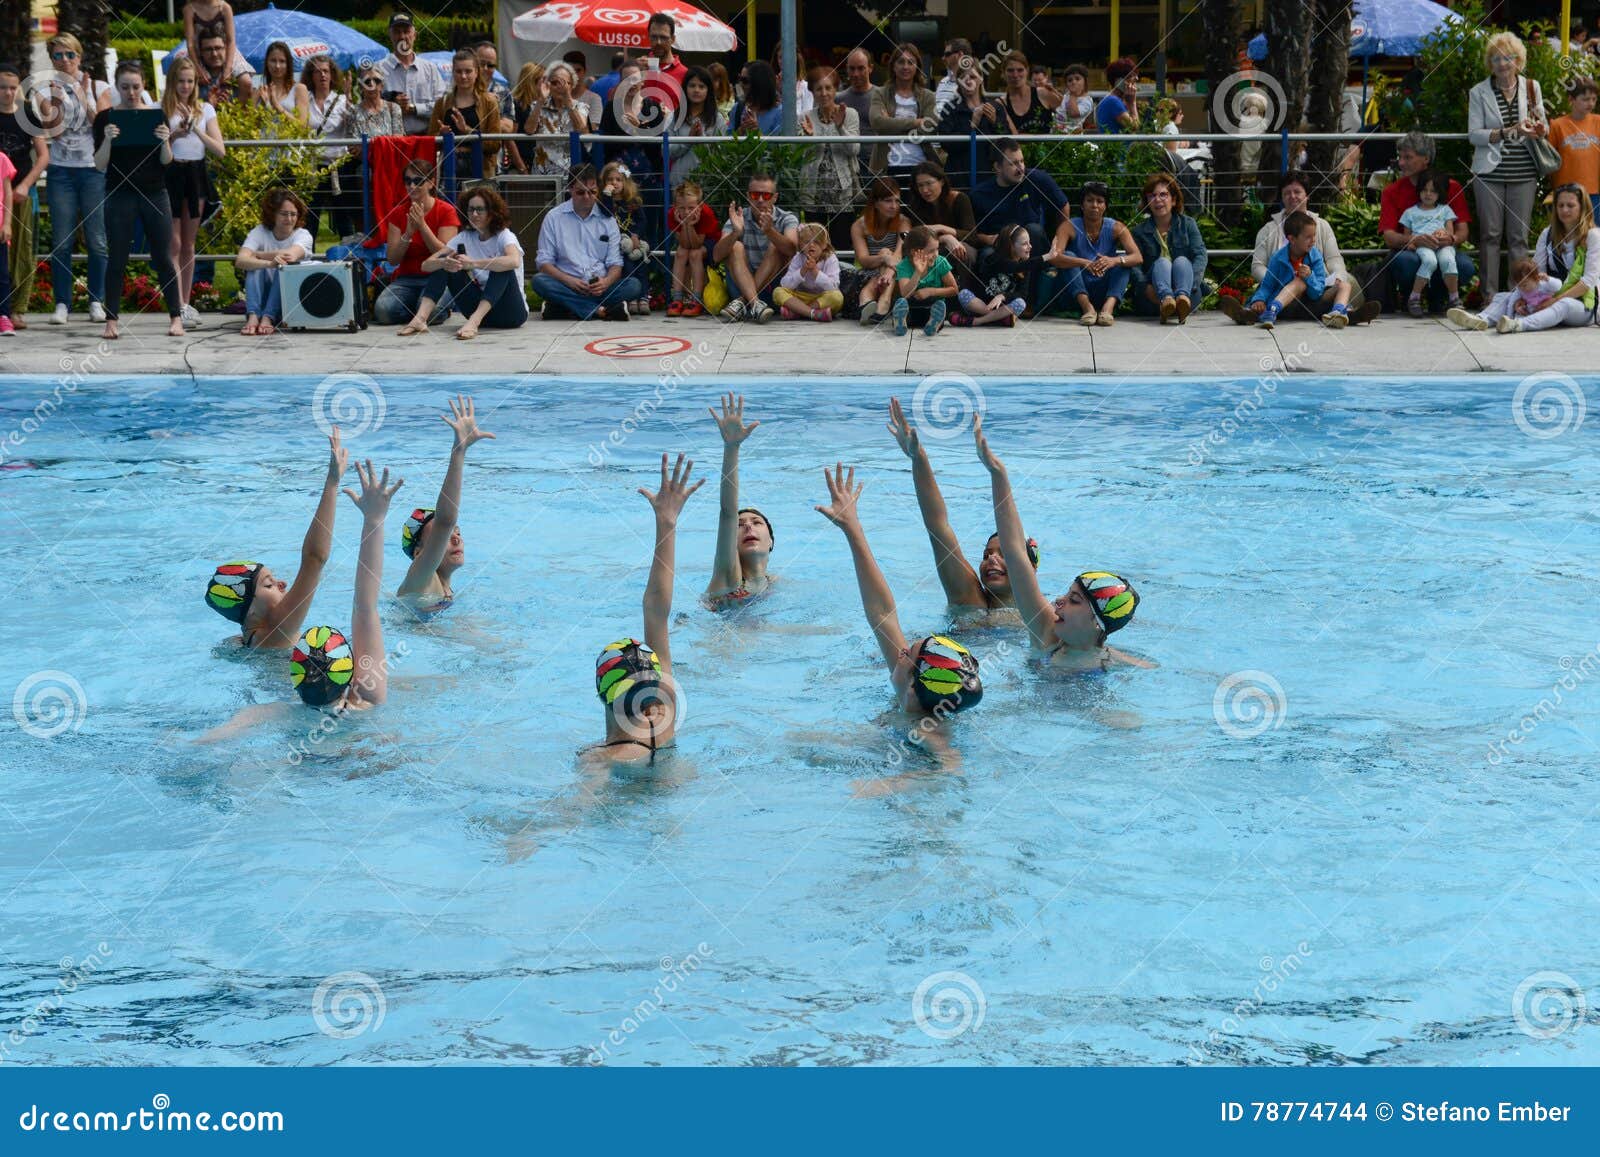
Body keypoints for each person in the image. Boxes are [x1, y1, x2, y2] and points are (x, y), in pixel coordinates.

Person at [976, 415, 1145, 670]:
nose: (1058, 601)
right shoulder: (1046, 635)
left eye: (1074, 600)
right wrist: (998, 474)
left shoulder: (1118, 666)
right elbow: (1016, 553)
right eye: (1068, 594)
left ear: (1096, 623)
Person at [815, 462, 984, 716]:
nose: (899, 651)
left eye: (906, 653)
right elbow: (882, 614)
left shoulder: (932, 737)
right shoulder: (913, 686)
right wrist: (852, 529)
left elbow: (951, 758)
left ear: (913, 684)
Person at [588, 453, 702, 767]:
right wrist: (667, 522)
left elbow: (577, 810)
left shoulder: (600, 761)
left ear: (603, 696)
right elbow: (656, 609)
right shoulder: (664, 717)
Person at [887, 395, 1037, 611]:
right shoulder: (970, 599)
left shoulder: (1047, 616)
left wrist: (998, 474)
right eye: (987, 555)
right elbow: (938, 527)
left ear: (1031, 568)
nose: (992, 559)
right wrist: (918, 458)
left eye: (1005, 554)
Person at [204, 429, 348, 650]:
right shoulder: (275, 634)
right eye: (269, 584)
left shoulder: (244, 641)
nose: (282, 584)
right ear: (251, 611)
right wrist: (332, 484)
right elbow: (315, 559)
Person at [290, 459, 402, 714]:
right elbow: (365, 607)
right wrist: (374, 520)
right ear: (351, 675)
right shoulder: (368, 696)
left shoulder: (272, 712)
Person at [94, 62, 182, 340]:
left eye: (136, 86)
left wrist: (165, 142)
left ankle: (176, 317)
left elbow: (167, 161)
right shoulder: (104, 118)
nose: (131, 92)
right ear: (116, 87)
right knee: (117, 257)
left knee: (163, 257)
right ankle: (111, 321)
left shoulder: (157, 116)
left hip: (155, 193)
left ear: (144, 86)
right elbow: (98, 165)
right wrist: (107, 140)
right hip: (119, 193)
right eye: (125, 87)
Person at [1449, 184, 1599, 333]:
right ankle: (1482, 319)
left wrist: (1553, 301)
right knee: (1505, 296)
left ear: (1582, 207)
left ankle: (1518, 324)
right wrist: (1524, 297)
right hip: (1547, 296)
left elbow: (1587, 283)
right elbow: (1536, 274)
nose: (1564, 210)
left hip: (1582, 304)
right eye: (1560, 205)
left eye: (1570, 205)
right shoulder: (1547, 234)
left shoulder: (1593, 236)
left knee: (1564, 304)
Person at [395, 395, 494, 610]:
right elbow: (445, 520)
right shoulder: (421, 580)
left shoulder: (443, 588)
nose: (456, 539)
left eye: (457, 533)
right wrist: (459, 451)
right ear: (419, 554)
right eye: (445, 538)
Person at [1468, 31, 1548, 296]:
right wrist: (1506, 132)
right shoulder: (1478, 92)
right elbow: (1474, 135)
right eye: (1496, 58)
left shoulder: (1531, 87)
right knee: (1489, 236)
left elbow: (1544, 127)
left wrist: (1538, 129)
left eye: (1508, 58)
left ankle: (1518, 296)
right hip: (1488, 172)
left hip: (1524, 172)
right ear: (1489, 63)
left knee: (1519, 239)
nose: (1502, 64)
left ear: (1518, 60)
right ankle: (1489, 297)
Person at [1247, 168, 1377, 327]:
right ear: (1281, 197)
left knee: (1346, 282)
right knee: (1262, 292)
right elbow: (1258, 266)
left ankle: (1343, 313)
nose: (1292, 196)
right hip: (1282, 288)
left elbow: (1334, 259)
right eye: (1287, 193)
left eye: (1297, 192)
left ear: (1306, 196)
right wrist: (1279, 281)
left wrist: (1336, 277)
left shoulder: (1322, 226)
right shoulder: (1267, 230)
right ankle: (1250, 313)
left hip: (1316, 288)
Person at [42, 33, 111, 326]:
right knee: (62, 241)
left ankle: (96, 300)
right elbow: (54, 132)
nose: (65, 61)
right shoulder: (45, 91)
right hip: (61, 171)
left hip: (93, 169)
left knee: (96, 240)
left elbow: (103, 126)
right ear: (52, 60)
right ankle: (62, 303)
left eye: (70, 55)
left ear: (80, 57)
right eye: (58, 56)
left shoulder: (99, 86)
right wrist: (57, 99)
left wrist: (84, 98)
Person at [400, 185, 528, 339]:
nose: (474, 214)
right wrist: (444, 263)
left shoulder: (504, 235)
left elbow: (514, 261)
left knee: (502, 266)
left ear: (492, 212)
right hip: (478, 309)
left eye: (480, 209)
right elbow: (426, 265)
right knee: (444, 263)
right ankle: (420, 319)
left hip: (511, 313)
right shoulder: (465, 237)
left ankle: (474, 323)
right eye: (470, 209)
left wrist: (473, 263)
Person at [1378, 130, 1477, 312]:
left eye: (1408, 157)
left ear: (1426, 159)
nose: (1401, 163)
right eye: (1400, 157)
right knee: (1407, 262)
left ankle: (1440, 298)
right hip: (1410, 251)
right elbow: (1389, 236)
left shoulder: (1452, 187)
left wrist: (1452, 238)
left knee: (1465, 266)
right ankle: (1410, 296)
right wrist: (1414, 239)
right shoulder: (1391, 191)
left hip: (1443, 248)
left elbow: (1463, 230)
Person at [532, 163, 645, 321]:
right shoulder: (554, 217)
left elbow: (615, 264)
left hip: (599, 286)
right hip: (567, 283)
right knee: (539, 281)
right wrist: (570, 281)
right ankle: (600, 310)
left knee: (634, 285)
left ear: (598, 191)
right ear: (570, 190)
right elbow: (544, 263)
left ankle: (567, 308)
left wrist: (605, 282)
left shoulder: (608, 219)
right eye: (580, 192)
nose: (587, 197)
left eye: (592, 192)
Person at [970, 138, 1070, 314]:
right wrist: (989, 239)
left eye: (1022, 161)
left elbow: (1063, 206)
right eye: (1013, 163)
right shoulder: (979, 194)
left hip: (1030, 246)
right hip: (999, 249)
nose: (1021, 167)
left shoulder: (1037, 179)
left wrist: (1060, 239)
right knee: (986, 255)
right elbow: (971, 233)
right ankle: (993, 306)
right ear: (997, 167)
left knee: (1034, 231)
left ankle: (1028, 303)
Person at [163, 59, 225, 328]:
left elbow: (219, 149)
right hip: (170, 174)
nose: (186, 86)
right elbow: (155, 149)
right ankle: (175, 305)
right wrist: (174, 135)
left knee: (189, 243)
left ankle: (185, 304)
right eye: (181, 81)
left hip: (196, 176)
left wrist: (195, 128)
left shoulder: (205, 109)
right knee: (173, 244)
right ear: (172, 82)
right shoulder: (161, 108)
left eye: (190, 81)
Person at [703, 394, 774, 608]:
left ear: (771, 541)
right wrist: (732, 448)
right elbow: (727, 512)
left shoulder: (774, 585)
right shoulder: (729, 577)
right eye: (740, 525)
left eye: (756, 522)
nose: (748, 527)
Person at [375, 159, 460, 325]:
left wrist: (422, 226)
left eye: (418, 181)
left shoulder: (446, 211)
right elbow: (393, 259)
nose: (411, 186)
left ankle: (426, 311)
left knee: (432, 312)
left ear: (431, 183)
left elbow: (446, 253)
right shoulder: (398, 213)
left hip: (438, 278)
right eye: (407, 181)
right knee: (383, 311)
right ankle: (418, 313)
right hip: (406, 279)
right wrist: (408, 233)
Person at [1044, 179, 1138, 325]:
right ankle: (1088, 309)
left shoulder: (1116, 227)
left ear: (1105, 206)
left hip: (1103, 289)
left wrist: (1113, 261)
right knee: (1069, 256)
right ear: (1082, 205)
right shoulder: (1068, 226)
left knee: (1123, 260)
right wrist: (1084, 262)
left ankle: (1107, 309)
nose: (1095, 205)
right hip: (1075, 291)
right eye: (1090, 200)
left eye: (1100, 201)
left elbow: (1137, 257)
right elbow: (1053, 257)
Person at [0, 63, 50, 329]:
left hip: (22, 191)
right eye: (2, 88)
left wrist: (25, 185)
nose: (8, 93)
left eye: (12, 88)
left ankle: (18, 308)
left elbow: (43, 156)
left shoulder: (28, 115)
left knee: (23, 251)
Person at [712, 171, 799, 323]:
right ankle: (755, 304)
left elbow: (792, 249)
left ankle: (746, 301)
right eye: (754, 195)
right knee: (735, 246)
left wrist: (770, 231)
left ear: (775, 197)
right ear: (748, 196)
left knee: (776, 247)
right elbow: (716, 256)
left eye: (766, 196)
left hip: (774, 292)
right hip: (739, 285)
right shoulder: (738, 217)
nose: (759, 200)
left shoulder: (787, 218)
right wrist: (735, 233)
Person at [1129, 172, 1206, 323]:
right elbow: (1133, 265)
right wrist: (1145, 287)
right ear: (1147, 201)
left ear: (1174, 200)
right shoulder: (1138, 232)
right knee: (1163, 262)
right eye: (1152, 196)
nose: (1157, 200)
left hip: (1188, 292)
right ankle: (1166, 299)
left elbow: (1200, 256)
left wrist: (1191, 284)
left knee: (1182, 261)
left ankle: (1181, 299)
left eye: (1163, 195)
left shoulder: (1188, 224)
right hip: (1152, 298)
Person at [235, 187, 312, 335]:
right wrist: (268, 263)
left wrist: (257, 254)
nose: (289, 219)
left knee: (283, 266)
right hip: (262, 298)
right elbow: (240, 260)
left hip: (289, 301)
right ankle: (253, 316)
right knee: (255, 267)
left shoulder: (303, 235)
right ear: (272, 214)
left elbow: (288, 256)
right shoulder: (259, 231)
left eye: (293, 214)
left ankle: (268, 318)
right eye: (284, 214)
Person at [1232, 210, 1325, 329]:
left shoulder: (1315, 257)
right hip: (1282, 305)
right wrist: (1259, 300)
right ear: (1291, 239)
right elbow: (1267, 285)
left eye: (1314, 236)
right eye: (1308, 237)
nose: (1313, 240)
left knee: (1300, 281)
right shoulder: (1278, 258)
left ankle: (1257, 313)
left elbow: (1317, 293)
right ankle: (1254, 311)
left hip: (1305, 303)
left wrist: (1309, 277)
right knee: (1260, 302)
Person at [869, 44, 940, 191]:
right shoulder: (880, 93)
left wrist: (891, 124)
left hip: (921, 166)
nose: (905, 66)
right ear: (893, 66)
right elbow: (877, 122)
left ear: (917, 67)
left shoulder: (928, 96)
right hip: (887, 166)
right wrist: (915, 122)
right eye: (901, 62)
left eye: (911, 62)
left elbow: (929, 128)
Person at [801, 68, 861, 234]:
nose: (824, 93)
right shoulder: (805, 117)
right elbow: (799, 155)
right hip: (813, 192)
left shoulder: (850, 114)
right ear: (812, 92)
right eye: (819, 89)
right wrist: (808, 138)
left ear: (836, 89)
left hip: (843, 192)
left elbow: (854, 150)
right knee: (814, 244)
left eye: (828, 88)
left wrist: (840, 128)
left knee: (841, 243)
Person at [428, 48, 501, 180]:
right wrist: (441, 135)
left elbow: (495, 144)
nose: (463, 76)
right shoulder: (442, 103)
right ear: (453, 73)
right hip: (449, 172)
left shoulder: (489, 102)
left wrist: (467, 131)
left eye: (468, 71)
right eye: (458, 71)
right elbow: (430, 140)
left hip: (480, 170)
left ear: (477, 72)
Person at [1398, 169, 1462, 314]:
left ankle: (1454, 298)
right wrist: (1413, 244)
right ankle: (1414, 298)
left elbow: (1450, 234)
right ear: (1419, 191)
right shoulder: (1410, 212)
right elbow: (1407, 236)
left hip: (1442, 245)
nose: (1428, 194)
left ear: (1439, 193)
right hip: (1424, 245)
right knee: (1430, 261)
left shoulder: (1445, 210)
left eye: (1433, 191)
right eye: (1424, 190)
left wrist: (1444, 234)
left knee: (1448, 260)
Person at [850, 176, 910, 325]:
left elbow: (900, 253)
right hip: (870, 271)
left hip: (897, 272)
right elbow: (863, 259)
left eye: (897, 201)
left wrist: (889, 270)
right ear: (875, 202)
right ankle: (881, 305)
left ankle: (868, 302)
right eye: (888, 200)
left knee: (886, 252)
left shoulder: (903, 222)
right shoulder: (859, 226)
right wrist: (884, 259)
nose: (894, 206)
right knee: (884, 254)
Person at [517, 62, 592, 178]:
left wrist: (568, 102)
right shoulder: (538, 105)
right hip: (542, 174)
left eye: (563, 83)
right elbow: (529, 130)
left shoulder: (580, 106)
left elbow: (581, 129)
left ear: (571, 85)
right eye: (554, 83)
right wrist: (541, 100)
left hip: (570, 174)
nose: (558, 87)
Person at [935, 63, 1004, 187]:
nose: (968, 81)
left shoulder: (995, 107)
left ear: (981, 79)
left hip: (989, 176)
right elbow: (946, 143)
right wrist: (972, 125)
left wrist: (995, 122)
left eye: (973, 77)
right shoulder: (950, 108)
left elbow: (1006, 140)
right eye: (963, 77)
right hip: (959, 176)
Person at [1450, 256, 1559, 332]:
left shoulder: (1543, 284)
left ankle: (1513, 324)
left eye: (1524, 284)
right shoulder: (1520, 289)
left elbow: (1558, 286)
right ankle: (1481, 319)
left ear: (1536, 279)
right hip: (1526, 310)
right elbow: (1512, 300)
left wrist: (1548, 279)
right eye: (1519, 285)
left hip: (1539, 311)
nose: (1522, 288)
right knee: (1502, 296)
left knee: (1518, 315)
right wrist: (1510, 313)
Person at [950, 222, 1028, 327]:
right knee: (963, 293)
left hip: (1002, 307)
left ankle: (976, 321)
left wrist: (1002, 296)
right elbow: (977, 285)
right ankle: (999, 319)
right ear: (1011, 245)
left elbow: (1022, 294)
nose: (1030, 246)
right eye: (1025, 244)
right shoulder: (992, 260)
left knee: (1020, 303)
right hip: (982, 306)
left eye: (1029, 243)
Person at [382, 12, 448, 135]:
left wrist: (413, 108)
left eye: (406, 31)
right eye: (397, 31)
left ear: (415, 35)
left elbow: (443, 106)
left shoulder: (430, 69)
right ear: (390, 35)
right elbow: (368, 107)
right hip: (391, 141)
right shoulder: (378, 70)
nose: (402, 36)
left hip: (424, 139)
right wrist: (391, 105)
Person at [599, 160, 650, 315]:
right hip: (617, 245)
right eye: (610, 180)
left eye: (618, 180)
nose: (614, 183)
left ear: (625, 182)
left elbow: (642, 221)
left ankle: (643, 297)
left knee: (641, 267)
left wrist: (636, 236)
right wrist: (607, 195)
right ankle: (632, 298)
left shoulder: (632, 201)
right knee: (627, 268)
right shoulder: (603, 202)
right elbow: (607, 214)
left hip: (634, 241)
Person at [907, 161, 978, 272]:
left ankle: (965, 289)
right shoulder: (916, 205)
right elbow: (918, 239)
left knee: (962, 250)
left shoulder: (959, 199)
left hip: (962, 245)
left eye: (929, 183)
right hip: (931, 247)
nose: (925, 190)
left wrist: (942, 228)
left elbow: (972, 236)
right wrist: (945, 238)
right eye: (920, 185)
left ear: (942, 181)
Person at [1546, 76, 1600, 215]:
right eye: (1585, 99)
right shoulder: (1557, 125)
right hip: (1565, 192)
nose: (1591, 104)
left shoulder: (1598, 121)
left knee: (1594, 234)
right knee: (1567, 234)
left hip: (1594, 192)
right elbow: (1549, 161)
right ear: (1571, 100)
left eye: (1594, 99)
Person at [891, 225, 958, 336]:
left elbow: (954, 289)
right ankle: (901, 322)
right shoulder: (904, 265)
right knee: (902, 303)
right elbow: (905, 293)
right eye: (931, 251)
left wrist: (931, 291)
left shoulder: (940, 262)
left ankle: (934, 324)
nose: (936, 254)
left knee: (939, 306)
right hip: (911, 307)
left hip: (932, 307)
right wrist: (917, 272)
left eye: (937, 249)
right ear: (914, 252)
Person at [666, 179, 717, 316]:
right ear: (675, 206)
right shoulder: (672, 214)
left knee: (695, 254)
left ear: (699, 206)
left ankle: (697, 299)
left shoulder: (706, 213)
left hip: (709, 241)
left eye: (691, 208)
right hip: (687, 239)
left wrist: (689, 224)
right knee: (681, 253)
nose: (686, 211)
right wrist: (685, 224)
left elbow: (697, 244)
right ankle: (677, 298)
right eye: (682, 208)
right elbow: (684, 244)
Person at [774, 221, 843, 321]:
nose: (811, 245)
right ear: (801, 245)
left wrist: (815, 271)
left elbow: (833, 286)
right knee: (778, 292)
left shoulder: (830, 259)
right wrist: (803, 271)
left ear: (824, 245)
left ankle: (797, 312)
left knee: (837, 297)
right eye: (807, 242)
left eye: (816, 242)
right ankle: (812, 313)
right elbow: (785, 284)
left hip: (821, 298)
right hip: (800, 298)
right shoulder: (798, 258)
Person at [667, 66, 722, 190]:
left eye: (701, 86)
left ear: (708, 91)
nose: (696, 90)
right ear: (685, 89)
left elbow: (721, 154)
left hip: (709, 185)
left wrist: (702, 138)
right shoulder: (673, 117)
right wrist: (688, 140)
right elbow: (666, 152)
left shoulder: (717, 119)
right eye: (692, 86)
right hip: (679, 185)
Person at [996, 50, 1061, 137]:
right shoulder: (1001, 103)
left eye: (1020, 70)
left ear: (1027, 71)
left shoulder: (1042, 94)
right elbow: (1010, 136)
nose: (1015, 75)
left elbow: (1070, 116)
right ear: (1003, 73)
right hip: (1018, 149)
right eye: (1010, 70)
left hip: (1048, 148)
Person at [183, 0, 240, 92]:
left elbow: (231, 41)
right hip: (198, 52)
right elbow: (190, 44)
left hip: (226, 49)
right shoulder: (189, 9)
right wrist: (197, 68)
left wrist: (228, 68)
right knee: (184, 77)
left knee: (246, 81)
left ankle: (241, 106)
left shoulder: (225, 8)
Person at [838, 49, 875, 184]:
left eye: (861, 68)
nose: (856, 74)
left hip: (875, 164)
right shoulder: (838, 99)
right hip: (847, 163)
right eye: (852, 69)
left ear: (870, 68)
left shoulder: (882, 96)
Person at [254, 40, 308, 121]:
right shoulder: (258, 92)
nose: (277, 66)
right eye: (273, 61)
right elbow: (250, 128)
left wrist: (277, 106)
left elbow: (302, 127)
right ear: (266, 63)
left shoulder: (299, 89)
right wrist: (262, 105)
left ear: (288, 64)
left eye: (282, 61)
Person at [729, 60, 783, 135]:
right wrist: (741, 130)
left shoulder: (780, 113)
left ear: (760, 83)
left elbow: (780, 145)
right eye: (740, 79)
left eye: (745, 81)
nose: (741, 84)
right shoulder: (738, 108)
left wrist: (757, 133)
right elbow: (727, 142)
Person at [196, 33, 252, 105]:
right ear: (201, 52)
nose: (214, 54)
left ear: (226, 49)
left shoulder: (239, 77)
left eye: (218, 48)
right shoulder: (193, 80)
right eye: (208, 49)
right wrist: (209, 106)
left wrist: (230, 107)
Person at [646, 13, 690, 100]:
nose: (658, 42)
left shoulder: (685, 74)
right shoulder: (639, 68)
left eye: (663, 37)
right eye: (654, 37)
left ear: (673, 39)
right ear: (649, 37)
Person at [1096, 57, 1140, 133]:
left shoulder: (1115, 100)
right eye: (1130, 76)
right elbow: (1134, 127)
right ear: (1118, 81)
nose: (1136, 79)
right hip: (1117, 145)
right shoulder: (1113, 101)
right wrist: (1132, 103)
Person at [1054, 64, 1093, 133]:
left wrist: (1073, 94)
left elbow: (1073, 113)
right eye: (1070, 80)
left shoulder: (1086, 101)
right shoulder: (1068, 95)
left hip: (1072, 136)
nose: (1073, 82)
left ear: (1085, 82)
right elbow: (1062, 100)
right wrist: (1052, 90)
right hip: (1056, 132)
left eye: (1077, 79)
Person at [935, 39, 971, 113]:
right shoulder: (943, 81)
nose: (943, 58)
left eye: (947, 54)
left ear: (960, 55)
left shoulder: (970, 82)